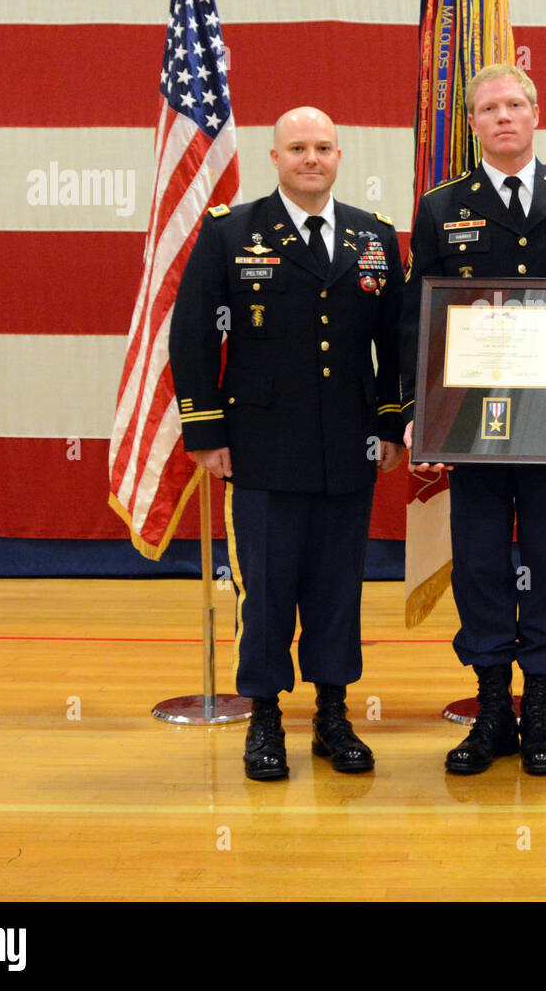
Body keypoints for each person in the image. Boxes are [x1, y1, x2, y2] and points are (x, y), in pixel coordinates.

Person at [401, 64, 546, 776]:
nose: (502, 117)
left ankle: (539, 707)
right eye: (487, 109)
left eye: (514, 104)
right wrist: (419, 410)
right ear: (472, 123)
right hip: (468, 418)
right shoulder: (443, 205)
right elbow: (418, 315)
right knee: (477, 562)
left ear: (536, 112)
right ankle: (491, 709)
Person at [169, 107, 405, 780]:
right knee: (266, 590)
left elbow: (393, 342)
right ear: (274, 157)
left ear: (340, 155)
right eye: (297, 148)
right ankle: (266, 716)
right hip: (262, 447)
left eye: (323, 147)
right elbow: (192, 336)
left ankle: (333, 714)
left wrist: (390, 424)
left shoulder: (373, 237)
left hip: (348, 448)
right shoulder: (231, 234)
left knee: (337, 588)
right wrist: (206, 432)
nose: (311, 159)